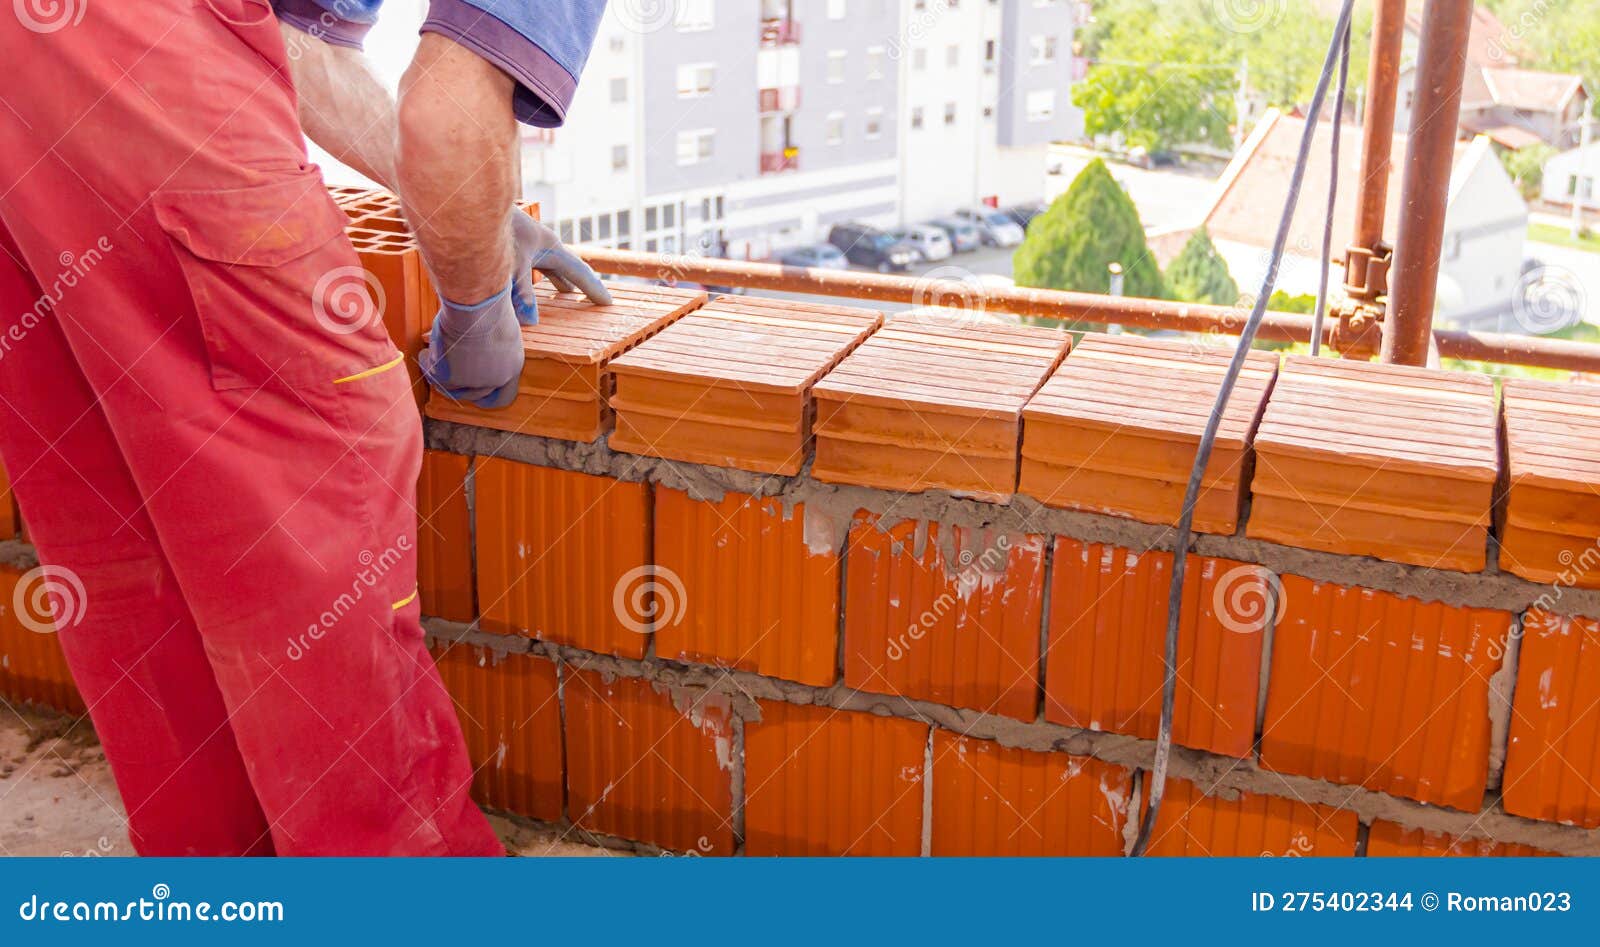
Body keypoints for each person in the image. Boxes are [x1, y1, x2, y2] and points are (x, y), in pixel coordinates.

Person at [0, 0, 608, 855]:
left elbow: (293, 39)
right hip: (147, 56)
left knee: (117, 504)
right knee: (319, 480)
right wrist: (475, 311)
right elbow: (449, 111)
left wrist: (476, 211)